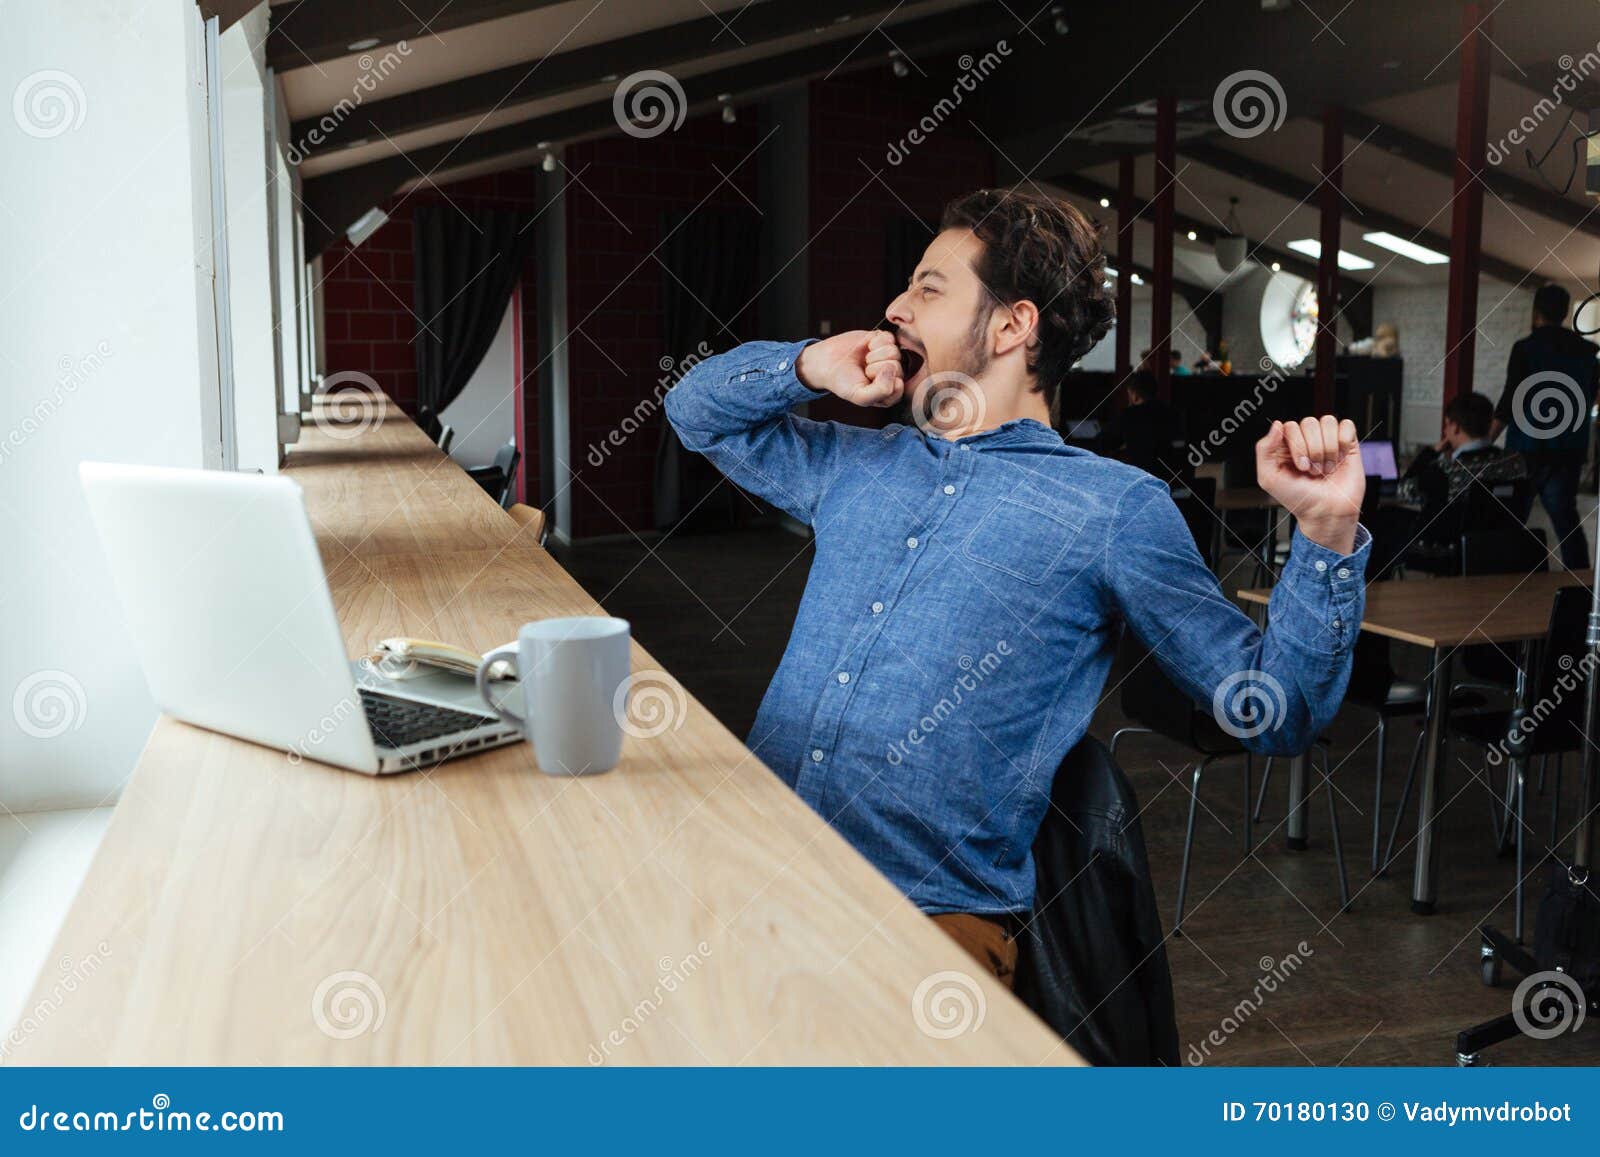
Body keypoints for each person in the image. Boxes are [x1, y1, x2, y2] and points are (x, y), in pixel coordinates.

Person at [664, 188, 1369, 985]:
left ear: (1011, 325)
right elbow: (695, 414)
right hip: (745, 853)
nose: (896, 306)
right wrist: (805, 364)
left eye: (929, 288)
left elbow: (1276, 709)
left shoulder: (1114, 507)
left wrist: (1326, 535)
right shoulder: (857, 463)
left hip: (918, 919)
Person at [1491, 284, 1599, 569]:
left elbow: (1510, 398)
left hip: (1525, 449)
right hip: (1568, 449)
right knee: (1566, 521)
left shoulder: (1525, 348)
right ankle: (1580, 583)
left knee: (1511, 518)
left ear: (1536, 310)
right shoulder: (1589, 352)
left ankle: (1502, 574)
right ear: (1565, 312)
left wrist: (1485, 439)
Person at [1399, 391, 1527, 549]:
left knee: (1388, 518)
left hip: (1445, 549)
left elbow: (1403, 491)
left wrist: (1430, 453)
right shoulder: (1514, 460)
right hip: (1504, 546)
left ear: (1455, 427)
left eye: (1447, 425)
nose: (1445, 431)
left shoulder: (1446, 469)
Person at [1102, 372, 1183, 479]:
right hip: (1172, 475)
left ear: (1134, 394)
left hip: (1140, 476)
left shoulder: (1130, 415)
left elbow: (1107, 442)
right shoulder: (1173, 413)